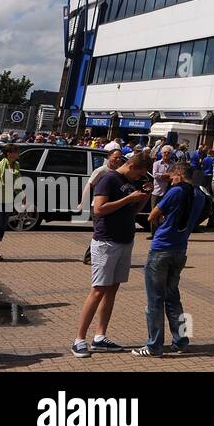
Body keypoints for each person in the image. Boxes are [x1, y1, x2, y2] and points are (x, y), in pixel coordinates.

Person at [74, 151, 152, 357]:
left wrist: (144, 196)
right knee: (98, 290)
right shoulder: (108, 179)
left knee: (112, 290)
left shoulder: (128, 181)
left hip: (125, 240)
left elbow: (133, 211)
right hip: (106, 242)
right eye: (140, 173)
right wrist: (129, 198)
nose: (139, 178)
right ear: (133, 166)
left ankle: (100, 336)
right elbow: (99, 210)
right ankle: (79, 339)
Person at [133, 161, 206, 357]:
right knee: (174, 298)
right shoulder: (199, 194)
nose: (171, 180)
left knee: (155, 300)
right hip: (181, 249)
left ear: (180, 174)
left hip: (162, 249)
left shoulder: (176, 191)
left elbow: (152, 215)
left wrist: (161, 219)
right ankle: (182, 340)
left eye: (172, 176)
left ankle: (154, 346)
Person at [81, 143, 126, 264]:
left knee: (107, 230)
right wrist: (82, 202)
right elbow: (89, 185)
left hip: (112, 206)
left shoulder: (121, 172)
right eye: (115, 157)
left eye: (120, 157)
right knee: (99, 230)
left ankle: (103, 256)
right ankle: (89, 256)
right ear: (109, 158)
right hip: (97, 206)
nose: (117, 160)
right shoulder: (101, 171)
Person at [0, 143, 25, 261]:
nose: (18, 153)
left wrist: (21, 195)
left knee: (2, 227)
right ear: (9, 154)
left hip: (8, 201)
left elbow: (17, 182)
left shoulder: (16, 165)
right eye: (16, 151)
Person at [150, 145, 174, 211]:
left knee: (164, 212)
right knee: (154, 212)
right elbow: (155, 175)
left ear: (171, 154)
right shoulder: (156, 164)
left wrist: (161, 176)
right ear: (161, 153)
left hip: (167, 193)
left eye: (169, 153)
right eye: (165, 152)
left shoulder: (173, 165)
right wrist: (167, 175)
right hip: (156, 192)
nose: (166, 154)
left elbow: (173, 177)